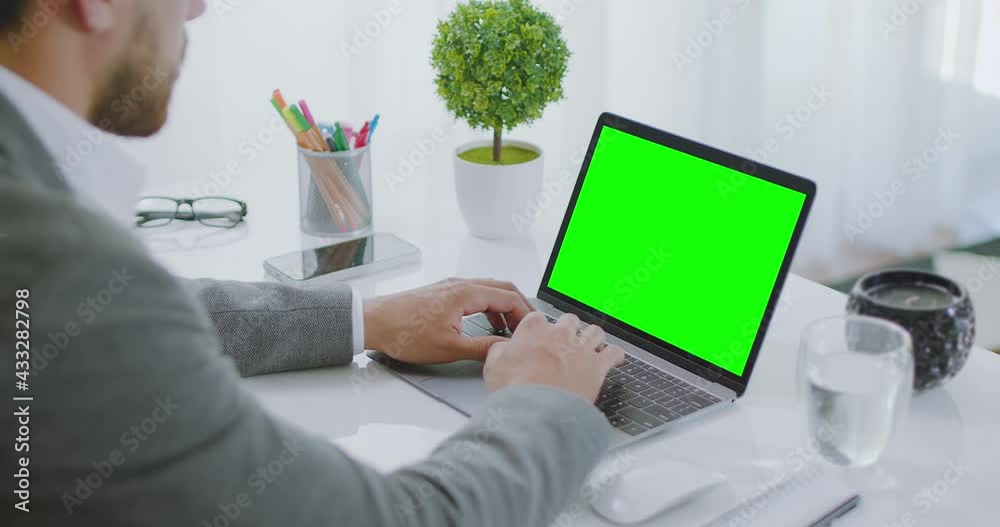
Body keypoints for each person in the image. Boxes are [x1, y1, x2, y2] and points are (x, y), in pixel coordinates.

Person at [0, 1, 625, 525]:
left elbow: (113, 315)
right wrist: (545, 402)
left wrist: (368, 319)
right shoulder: (48, 261)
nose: (197, 6)